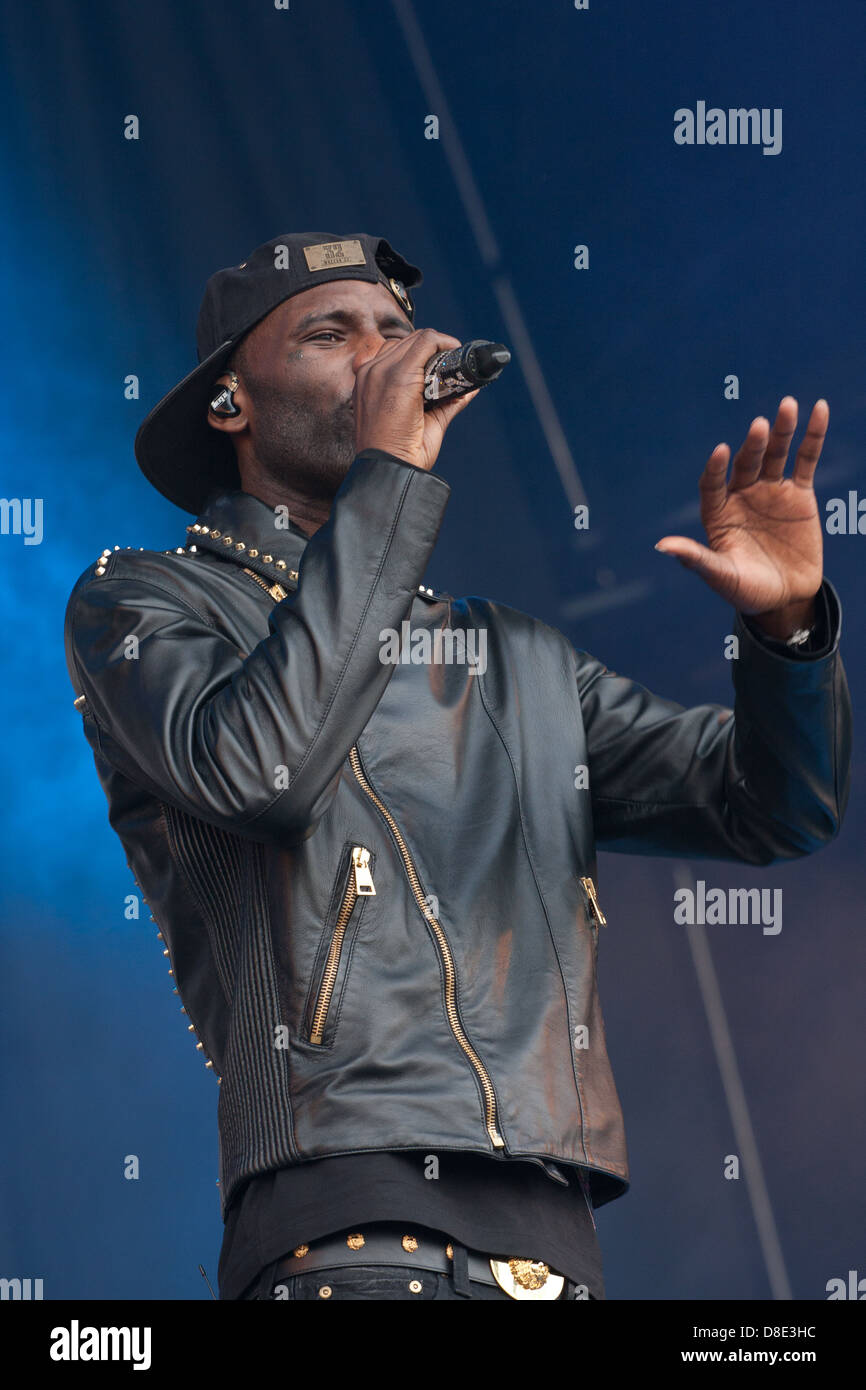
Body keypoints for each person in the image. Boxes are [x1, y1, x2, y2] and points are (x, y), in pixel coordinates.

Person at [63, 231, 851, 1302]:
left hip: (551, 1235)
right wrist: (387, 479)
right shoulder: (145, 600)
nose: (381, 357)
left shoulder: (511, 656)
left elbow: (771, 808)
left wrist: (786, 632)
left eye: (395, 333)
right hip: (344, 1223)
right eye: (331, 335)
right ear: (229, 403)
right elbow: (260, 769)